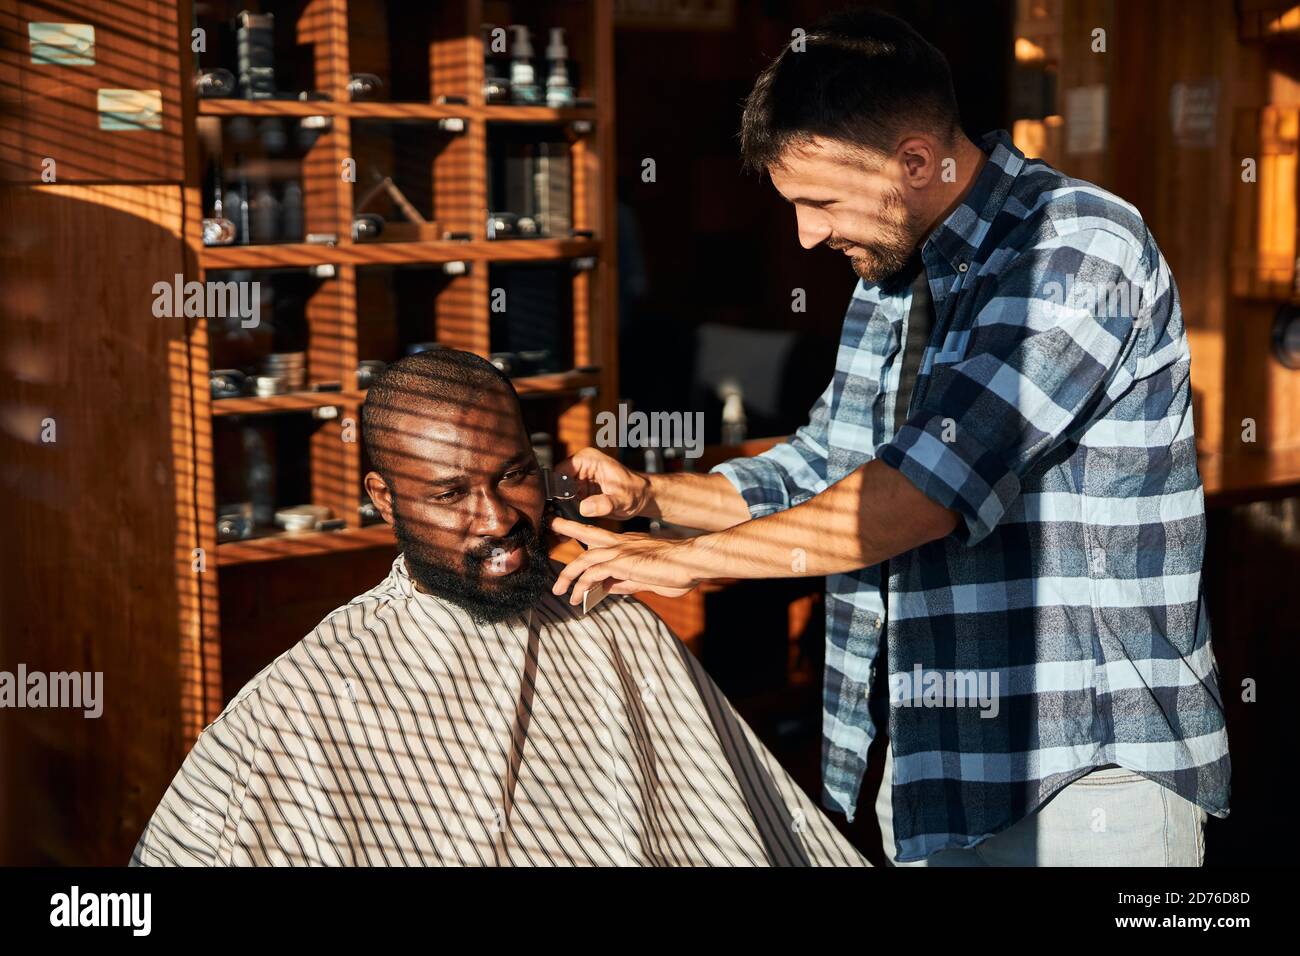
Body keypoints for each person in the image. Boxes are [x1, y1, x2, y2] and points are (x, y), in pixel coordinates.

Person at [549, 8, 1228, 866]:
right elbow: (821, 466)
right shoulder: (893, 268)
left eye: (819, 201)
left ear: (913, 159)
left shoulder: (1076, 249)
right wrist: (653, 501)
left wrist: (680, 562)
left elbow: (913, 500)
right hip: (923, 772)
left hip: (1081, 786)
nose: (806, 233)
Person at [129, 350, 864, 867]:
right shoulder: (311, 695)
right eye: (449, 494)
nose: (496, 518)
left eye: (514, 475)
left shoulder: (608, 626)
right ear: (383, 498)